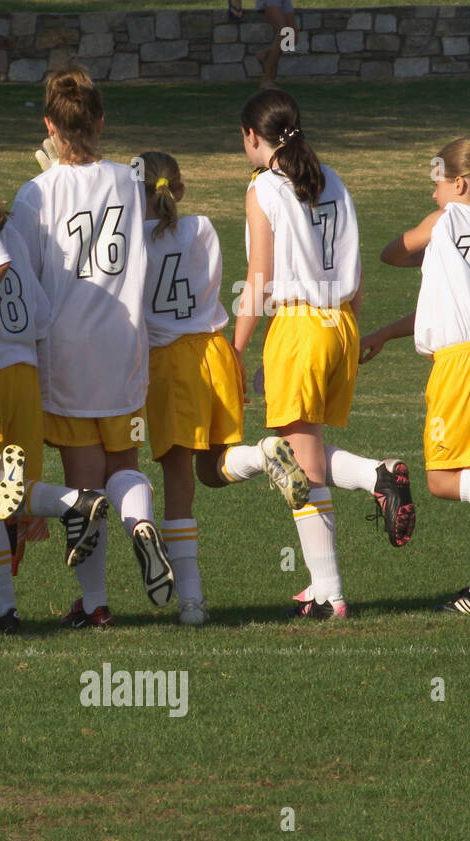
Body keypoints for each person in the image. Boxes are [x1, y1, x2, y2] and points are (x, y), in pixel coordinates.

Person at [234, 88, 414, 620]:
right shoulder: (332, 177)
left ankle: (330, 593)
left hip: (298, 325)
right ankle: (322, 586)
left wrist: (238, 345)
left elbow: (260, 278)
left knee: (300, 464)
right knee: (301, 451)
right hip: (340, 325)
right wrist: (351, 331)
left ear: (252, 136)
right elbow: (354, 269)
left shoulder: (264, 188)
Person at [10, 67, 175, 629]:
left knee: (84, 486)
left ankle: (96, 603)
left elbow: (20, 273)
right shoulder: (132, 181)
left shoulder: (36, 192)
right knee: (124, 466)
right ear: (102, 121)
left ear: (50, 126)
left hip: (69, 353)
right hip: (125, 347)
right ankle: (142, 525)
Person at [0, 139, 108, 634]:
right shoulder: (11, 233)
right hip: (26, 375)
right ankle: (2, 606)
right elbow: (40, 313)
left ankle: (4, 599)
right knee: (2, 494)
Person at [136, 150, 309, 625]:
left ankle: (191, 599)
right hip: (215, 349)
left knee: (179, 484)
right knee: (213, 468)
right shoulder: (204, 228)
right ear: (181, 189)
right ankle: (262, 455)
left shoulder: (134, 242)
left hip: (170, 363)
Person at [359, 137, 470, 614]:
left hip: (460, 367)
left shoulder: (445, 221)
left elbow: (392, 252)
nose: (432, 196)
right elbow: (442, 305)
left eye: (436, 184)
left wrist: (430, 241)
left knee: (441, 479)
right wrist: (385, 333)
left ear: (458, 183)